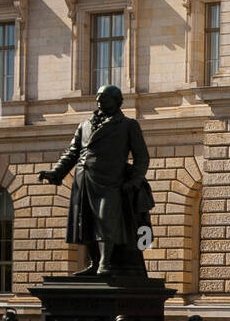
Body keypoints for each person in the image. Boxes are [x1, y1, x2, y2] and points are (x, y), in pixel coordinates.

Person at [37, 85, 154, 278]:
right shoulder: (84, 125)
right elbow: (72, 153)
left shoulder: (128, 125)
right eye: (98, 97)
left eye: (104, 98)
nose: (99, 101)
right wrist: (56, 172)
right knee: (86, 221)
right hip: (84, 179)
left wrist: (134, 181)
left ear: (117, 101)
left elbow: (142, 157)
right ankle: (94, 263)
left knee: (106, 220)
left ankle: (105, 264)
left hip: (110, 180)